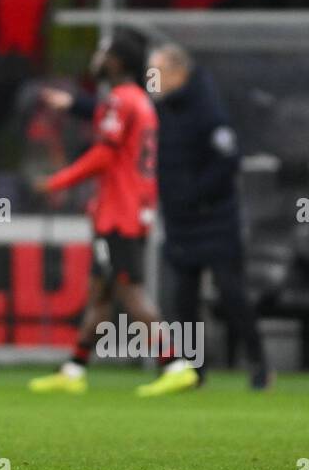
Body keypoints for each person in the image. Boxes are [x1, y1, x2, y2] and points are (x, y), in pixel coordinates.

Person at [28, 32, 200, 397]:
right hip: (126, 209)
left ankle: (175, 364)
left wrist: (58, 181)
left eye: (105, 53)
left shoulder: (121, 101)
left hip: (119, 215)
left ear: (118, 62)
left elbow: (105, 156)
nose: (98, 59)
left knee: (129, 288)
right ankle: (74, 370)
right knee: (102, 293)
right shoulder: (137, 100)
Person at [148, 43, 272, 389]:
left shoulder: (206, 106)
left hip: (214, 219)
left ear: (178, 72)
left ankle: (259, 363)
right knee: (182, 299)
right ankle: (194, 369)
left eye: (156, 72)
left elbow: (228, 160)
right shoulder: (162, 110)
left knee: (232, 293)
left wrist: (195, 196)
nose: (151, 80)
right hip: (180, 221)